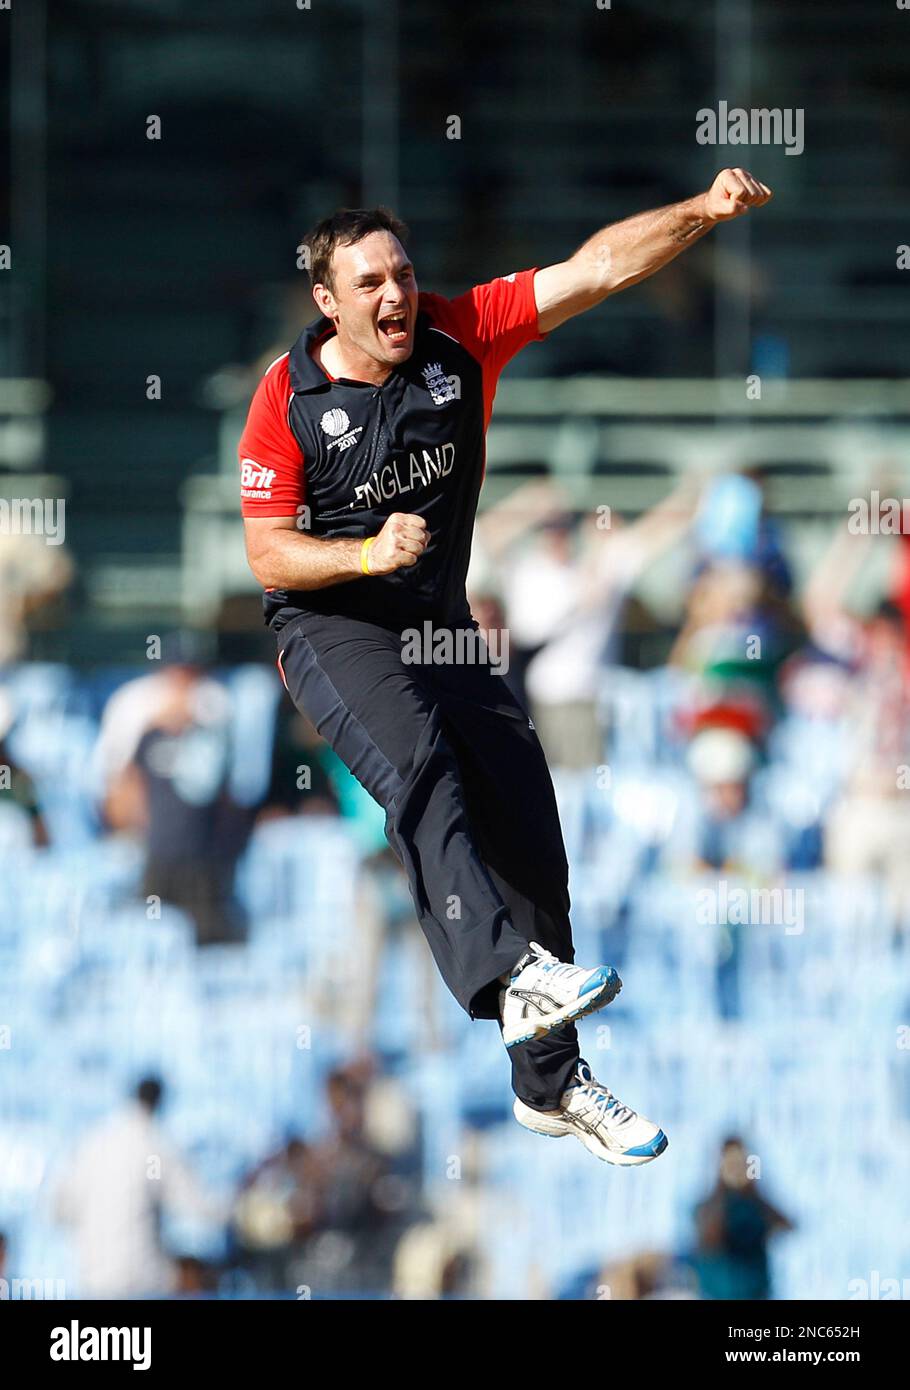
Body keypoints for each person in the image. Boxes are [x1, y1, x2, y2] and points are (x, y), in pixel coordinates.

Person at [238, 170, 773, 1164]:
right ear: (328, 302)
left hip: (438, 627)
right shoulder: (288, 399)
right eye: (369, 285)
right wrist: (361, 554)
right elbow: (267, 552)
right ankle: (505, 974)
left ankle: (551, 1084)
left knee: (530, 830)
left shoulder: (460, 334)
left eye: (402, 273)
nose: (395, 296)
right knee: (422, 767)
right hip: (333, 629)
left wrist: (699, 211)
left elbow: (595, 269)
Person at [50, 1076, 221, 1298]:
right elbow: (196, 1206)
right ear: (160, 1103)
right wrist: (236, 1206)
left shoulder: (92, 1141)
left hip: (90, 1280)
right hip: (142, 1280)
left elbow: (58, 1209)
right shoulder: (155, 1143)